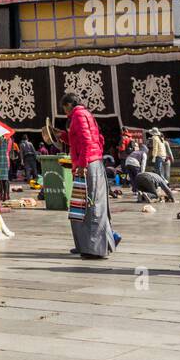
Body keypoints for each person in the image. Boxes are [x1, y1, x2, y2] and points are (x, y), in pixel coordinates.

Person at [60, 94, 116, 260]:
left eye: (64, 108)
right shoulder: (85, 114)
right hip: (91, 163)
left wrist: (82, 165)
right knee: (82, 205)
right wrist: (62, 135)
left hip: (88, 165)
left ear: (69, 104)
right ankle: (85, 245)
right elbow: (87, 140)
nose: (65, 112)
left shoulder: (78, 115)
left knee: (90, 207)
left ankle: (93, 248)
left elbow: (86, 141)